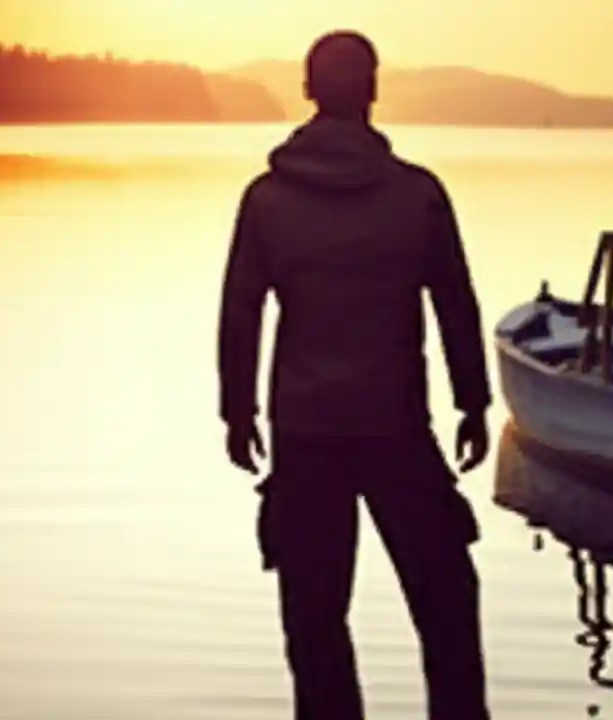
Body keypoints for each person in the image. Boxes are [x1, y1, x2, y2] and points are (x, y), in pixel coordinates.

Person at [217, 30, 492, 720]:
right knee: (447, 602)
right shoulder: (418, 196)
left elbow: (240, 310)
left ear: (307, 90)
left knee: (314, 619)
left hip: (305, 433)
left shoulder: (266, 201)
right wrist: (474, 402)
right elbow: (456, 303)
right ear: (372, 90)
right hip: (396, 428)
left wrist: (238, 411)